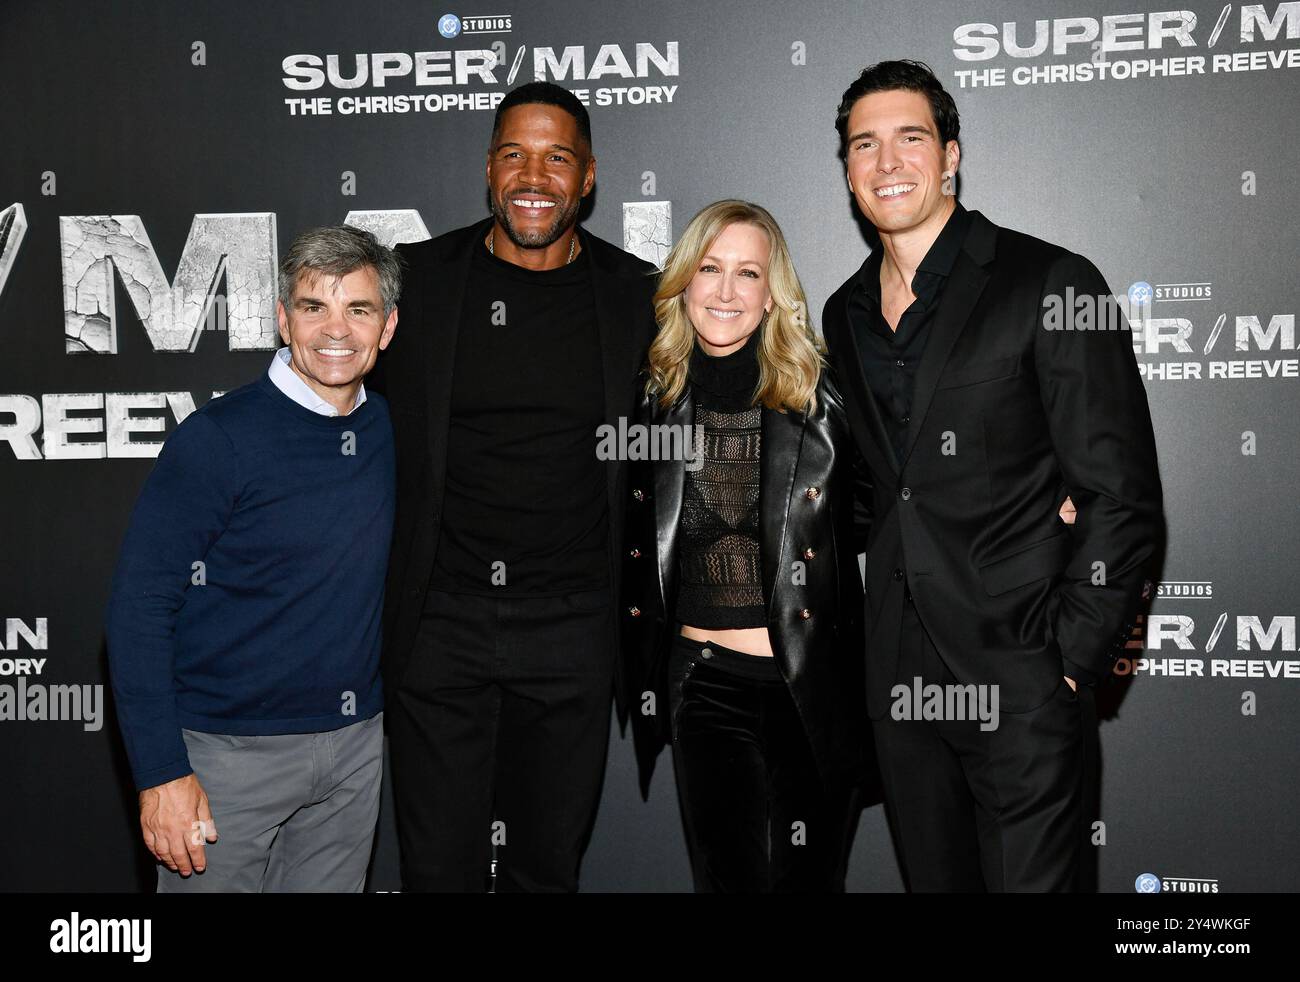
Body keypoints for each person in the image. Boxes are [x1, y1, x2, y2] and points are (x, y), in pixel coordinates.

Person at [822, 60, 1164, 891]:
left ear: (951, 157)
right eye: (864, 145)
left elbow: (1122, 497)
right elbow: (874, 494)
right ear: (847, 173)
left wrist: (1069, 666)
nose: (887, 162)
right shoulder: (843, 313)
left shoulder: (1049, 283)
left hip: (1022, 681)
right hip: (901, 692)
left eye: (911, 138)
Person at [366, 81, 658, 892]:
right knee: (436, 870)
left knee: (544, 868)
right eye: (514, 155)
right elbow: (329, 399)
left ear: (589, 177)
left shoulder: (640, 297)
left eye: (557, 157)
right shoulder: (414, 285)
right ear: (488, 170)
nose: (535, 176)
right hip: (440, 623)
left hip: (574, 626)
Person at [105, 225, 401, 891]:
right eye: (313, 306)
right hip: (224, 759)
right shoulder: (218, 439)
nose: (336, 330)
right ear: (281, 318)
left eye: (358, 309)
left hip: (354, 751)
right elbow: (138, 609)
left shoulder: (390, 428)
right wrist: (160, 772)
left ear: (387, 327)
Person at [621, 199, 875, 892]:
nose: (726, 291)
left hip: (811, 688)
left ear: (772, 296)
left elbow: (898, 502)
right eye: (710, 268)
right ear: (684, 282)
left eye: (748, 273)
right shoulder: (651, 398)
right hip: (704, 688)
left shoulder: (821, 399)